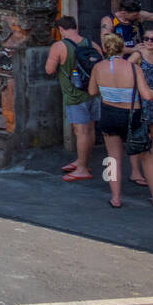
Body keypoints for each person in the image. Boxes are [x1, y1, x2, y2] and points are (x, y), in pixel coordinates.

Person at [87, 33, 153, 208]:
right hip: (132, 114)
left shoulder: (98, 67)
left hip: (109, 114)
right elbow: (148, 96)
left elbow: (91, 92)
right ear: (123, 49)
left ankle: (116, 198)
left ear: (105, 49)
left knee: (113, 158)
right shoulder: (134, 68)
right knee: (147, 156)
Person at [45, 15, 102, 182]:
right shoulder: (92, 44)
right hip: (93, 93)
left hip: (74, 95)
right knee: (89, 130)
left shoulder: (59, 46)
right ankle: (82, 160)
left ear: (61, 30)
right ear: (76, 27)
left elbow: (49, 70)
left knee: (81, 131)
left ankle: (83, 168)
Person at [127, 27, 153, 187]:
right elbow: (125, 70)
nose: (148, 41)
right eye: (146, 38)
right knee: (137, 135)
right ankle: (136, 172)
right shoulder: (138, 55)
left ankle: (151, 169)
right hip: (140, 99)